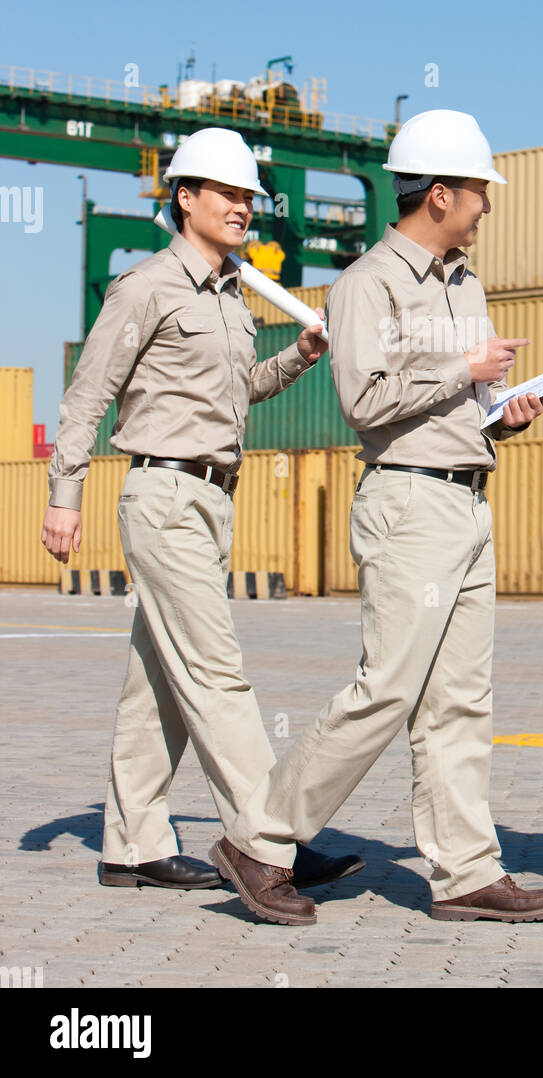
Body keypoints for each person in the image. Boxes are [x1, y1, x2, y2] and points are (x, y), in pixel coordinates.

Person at [210, 109, 543, 925]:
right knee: (386, 690)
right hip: (407, 501)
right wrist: (464, 366)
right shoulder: (365, 283)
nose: (487, 206)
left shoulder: (465, 283)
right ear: (439, 194)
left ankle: (466, 872)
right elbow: (364, 400)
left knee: (460, 700)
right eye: (479, 191)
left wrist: (502, 410)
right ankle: (261, 840)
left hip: (468, 494)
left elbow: (455, 404)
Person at [41, 127, 362, 893]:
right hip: (162, 494)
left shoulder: (232, 295)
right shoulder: (147, 286)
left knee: (158, 678)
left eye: (249, 195)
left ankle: (132, 844)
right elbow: (89, 392)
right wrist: (64, 494)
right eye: (228, 192)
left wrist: (295, 361)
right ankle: (269, 840)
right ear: (184, 198)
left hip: (214, 499)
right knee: (216, 673)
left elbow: (233, 392)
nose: (244, 206)